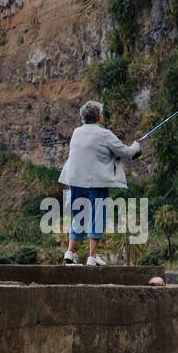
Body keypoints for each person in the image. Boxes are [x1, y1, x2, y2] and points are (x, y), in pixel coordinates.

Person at [57, 100, 141, 265]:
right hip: (95, 183)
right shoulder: (104, 133)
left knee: (79, 216)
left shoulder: (76, 132)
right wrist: (136, 146)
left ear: (83, 118)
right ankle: (92, 257)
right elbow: (124, 151)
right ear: (98, 117)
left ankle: (69, 253)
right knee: (97, 216)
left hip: (74, 181)